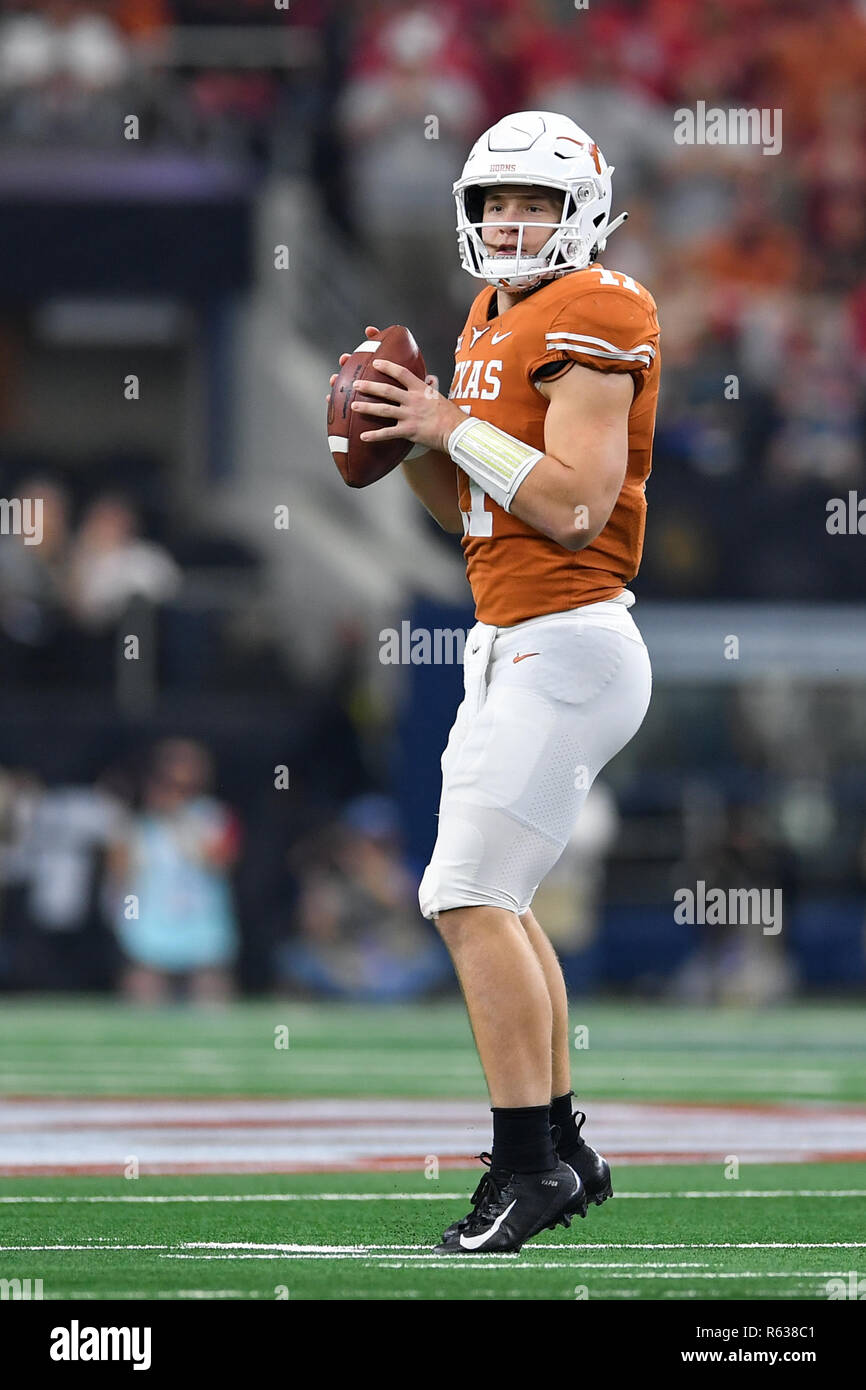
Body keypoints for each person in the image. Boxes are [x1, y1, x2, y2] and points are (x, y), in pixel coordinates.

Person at [328, 111, 659, 1253]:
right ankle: (561, 1146)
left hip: (570, 637)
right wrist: (417, 441)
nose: (511, 222)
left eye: (534, 202)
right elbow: (474, 518)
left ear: (584, 214)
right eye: (494, 203)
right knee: (493, 897)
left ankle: (525, 1165)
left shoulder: (600, 307)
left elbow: (570, 505)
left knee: (462, 895)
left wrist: (448, 422)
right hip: (509, 633)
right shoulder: (485, 317)